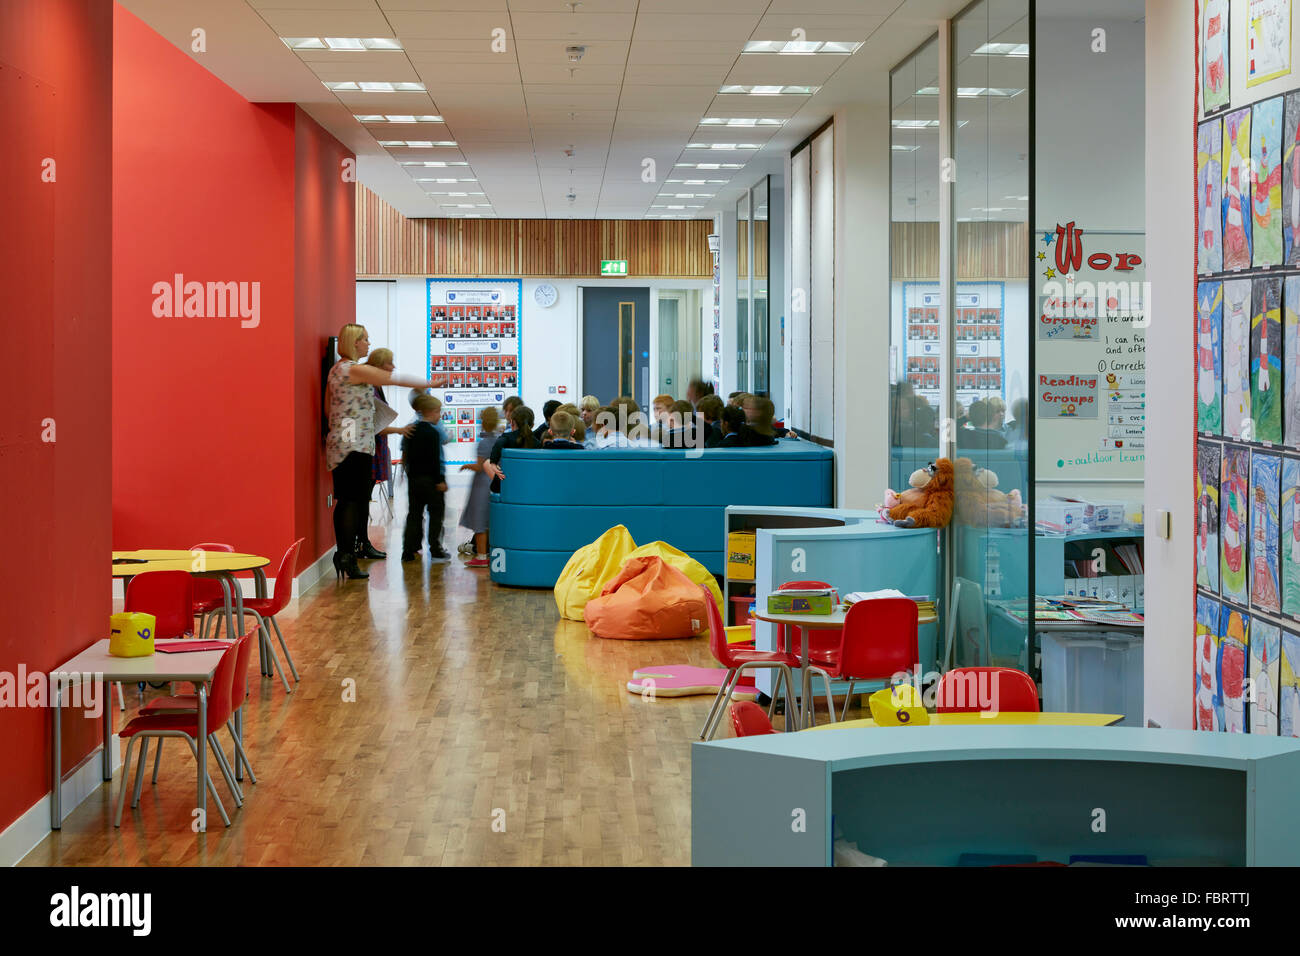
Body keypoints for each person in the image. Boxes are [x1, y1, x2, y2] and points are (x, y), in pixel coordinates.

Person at [326, 323, 436, 582]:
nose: (368, 343)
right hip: (353, 446)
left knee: (351, 500)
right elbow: (391, 379)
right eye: (364, 339)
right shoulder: (351, 369)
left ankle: (346, 555)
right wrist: (430, 382)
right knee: (353, 501)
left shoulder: (337, 370)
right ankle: (345, 556)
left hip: (349, 443)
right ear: (353, 343)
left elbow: (328, 410)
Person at [358, 348, 416, 561]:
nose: (392, 368)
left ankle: (362, 542)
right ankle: (361, 543)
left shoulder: (375, 385)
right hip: (369, 448)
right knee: (362, 500)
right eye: (389, 364)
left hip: (375, 448)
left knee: (365, 498)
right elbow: (373, 425)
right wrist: (400, 430)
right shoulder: (369, 386)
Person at [401, 394, 450, 562]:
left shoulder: (411, 430)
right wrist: (440, 480)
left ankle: (408, 551)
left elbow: (407, 456)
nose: (440, 416)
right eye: (438, 412)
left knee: (414, 514)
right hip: (431, 481)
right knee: (436, 514)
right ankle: (435, 549)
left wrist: (409, 474)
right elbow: (434, 460)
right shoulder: (433, 433)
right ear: (430, 412)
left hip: (414, 480)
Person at [458, 407, 501, 569]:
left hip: (481, 484)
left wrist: (466, 466)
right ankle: (488, 552)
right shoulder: (498, 439)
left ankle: (482, 556)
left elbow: (479, 466)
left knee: (480, 522)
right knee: (489, 521)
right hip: (493, 482)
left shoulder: (483, 443)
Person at [483, 404, 541, 485]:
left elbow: (498, 444)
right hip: (531, 483)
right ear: (532, 425)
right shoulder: (537, 443)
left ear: (512, 423)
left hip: (509, 485)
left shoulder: (507, 438)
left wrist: (493, 463)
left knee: (487, 462)